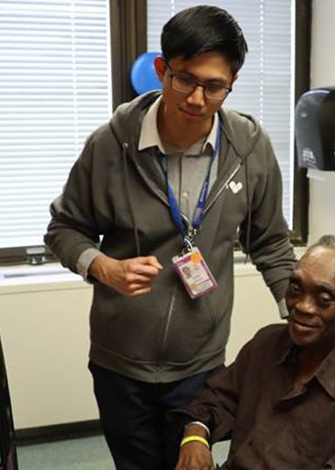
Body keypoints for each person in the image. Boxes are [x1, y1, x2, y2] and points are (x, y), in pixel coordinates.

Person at [43, 6, 296, 470]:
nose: (197, 98)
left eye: (214, 86)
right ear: (162, 70)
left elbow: (271, 243)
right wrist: (103, 267)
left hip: (201, 362)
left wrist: (300, 315)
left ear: (232, 83)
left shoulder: (248, 149)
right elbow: (63, 230)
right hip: (121, 363)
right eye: (184, 79)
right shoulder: (110, 146)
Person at [171, 235, 335, 470]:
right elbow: (213, 400)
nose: (302, 306)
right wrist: (195, 437)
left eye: (323, 299)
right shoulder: (266, 344)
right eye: (296, 289)